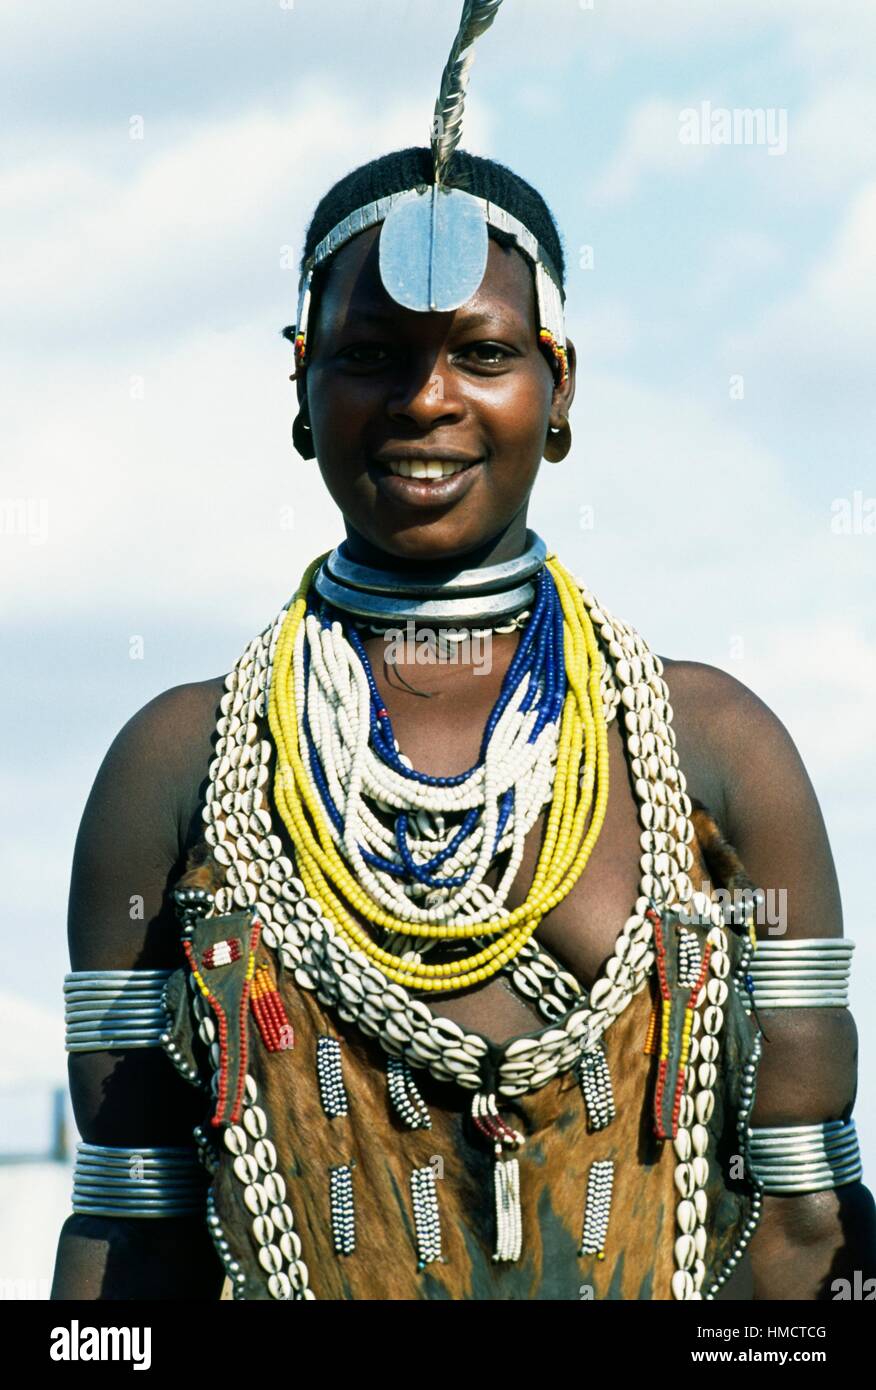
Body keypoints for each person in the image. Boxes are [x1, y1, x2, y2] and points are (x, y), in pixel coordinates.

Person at [52, 6, 874, 1303]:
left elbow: (810, 1223)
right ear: (303, 386)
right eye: (374, 357)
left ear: (560, 392)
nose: (427, 398)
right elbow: (125, 1232)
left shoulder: (713, 747)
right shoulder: (182, 764)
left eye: (481, 355)